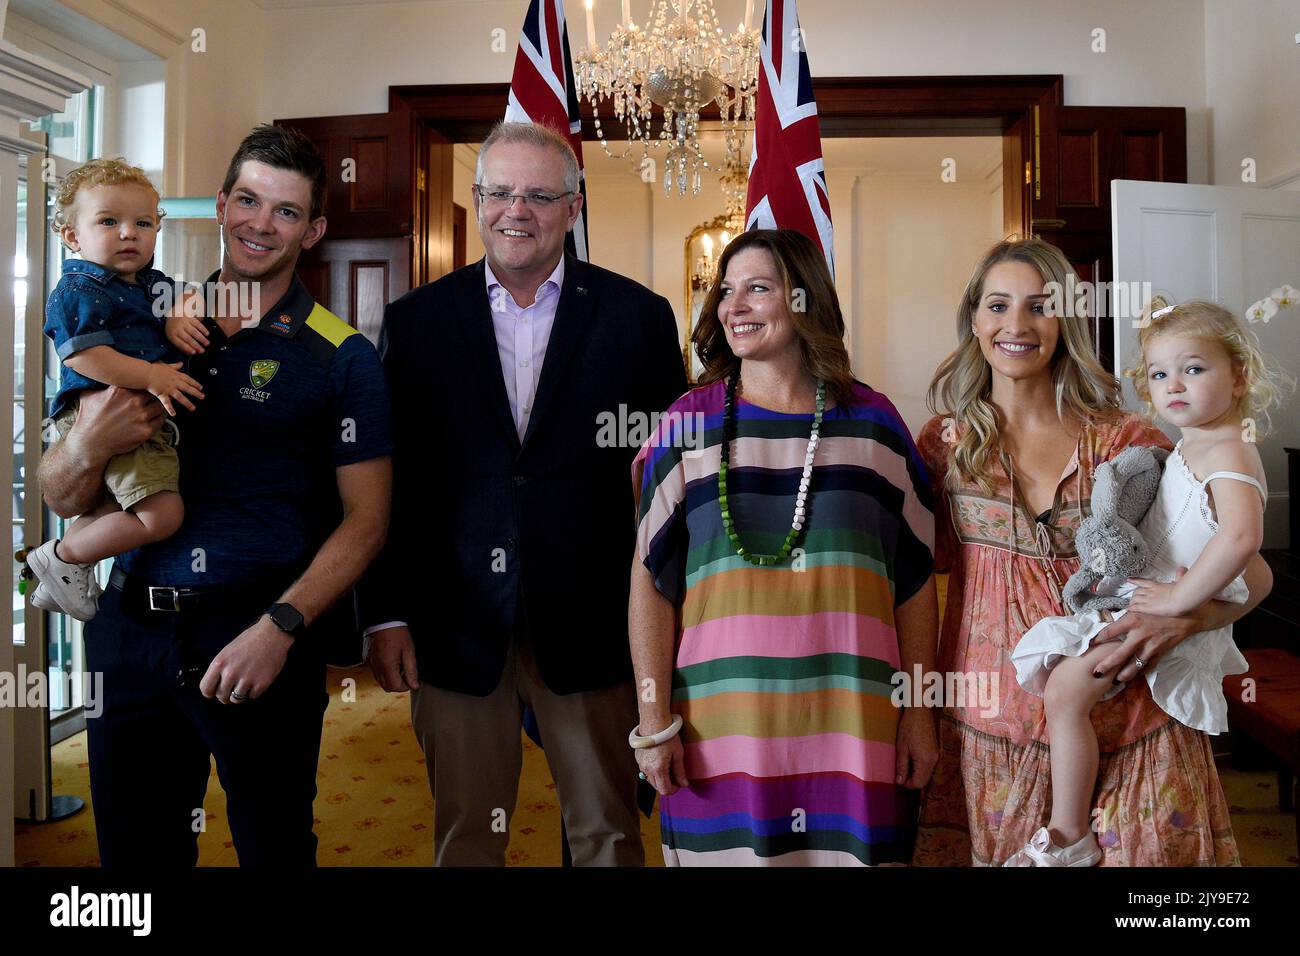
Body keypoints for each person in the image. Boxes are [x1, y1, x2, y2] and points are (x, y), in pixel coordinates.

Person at [38, 124, 393, 866]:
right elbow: (62, 491)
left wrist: (281, 627)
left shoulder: (341, 355)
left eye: (287, 211)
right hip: (128, 629)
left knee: (274, 849)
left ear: (314, 229)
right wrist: (87, 442)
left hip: (256, 633)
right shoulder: (136, 323)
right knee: (134, 860)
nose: (261, 224)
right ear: (223, 204)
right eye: (249, 200)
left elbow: (367, 521)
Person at [361, 120, 687, 867]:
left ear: (573, 208)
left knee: (606, 834)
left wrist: (668, 624)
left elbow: (664, 485)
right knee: (468, 836)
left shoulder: (638, 318)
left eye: (540, 195)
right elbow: (391, 482)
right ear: (477, 200)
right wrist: (384, 613)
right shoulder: (415, 323)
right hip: (455, 622)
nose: (519, 210)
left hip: (594, 620)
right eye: (501, 192)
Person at [911, 238, 1273, 867]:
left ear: (1067, 320)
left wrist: (1184, 617)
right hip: (989, 721)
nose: (1017, 325)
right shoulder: (945, 446)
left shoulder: (1130, 442)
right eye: (998, 305)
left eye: (1040, 306)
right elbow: (913, 584)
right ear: (974, 319)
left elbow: (1255, 572)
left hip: (1131, 713)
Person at [630, 228, 940, 866]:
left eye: (758, 289)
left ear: (804, 300)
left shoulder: (875, 426)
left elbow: (914, 582)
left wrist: (919, 714)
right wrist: (653, 722)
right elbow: (649, 584)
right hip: (718, 735)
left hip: (856, 728)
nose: (733, 306)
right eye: (727, 290)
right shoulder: (686, 425)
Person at [1004, 297, 1288, 865]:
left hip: (1172, 605)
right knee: (1061, 685)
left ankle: (1066, 839)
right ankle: (1068, 831)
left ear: (1238, 378)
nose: (1173, 384)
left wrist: (1182, 600)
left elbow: (1242, 543)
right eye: (1159, 373)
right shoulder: (1194, 447)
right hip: (1156, 594)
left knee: (1063, 692)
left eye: (1194, 368)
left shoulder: (1230, 452)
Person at [28, 158, 204, 622]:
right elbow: (83, 356)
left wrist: (179, 311)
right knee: (162, 514)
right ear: (72, 236)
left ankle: (62, 569)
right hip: (102, 411)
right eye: (109, 221)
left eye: (143, 223)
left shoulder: (146, 282)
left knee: (115, 507)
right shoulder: (78, 289)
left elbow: (186, 292)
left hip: (139, 419)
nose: (129, 233)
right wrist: (151, 377)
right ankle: (64, 558)